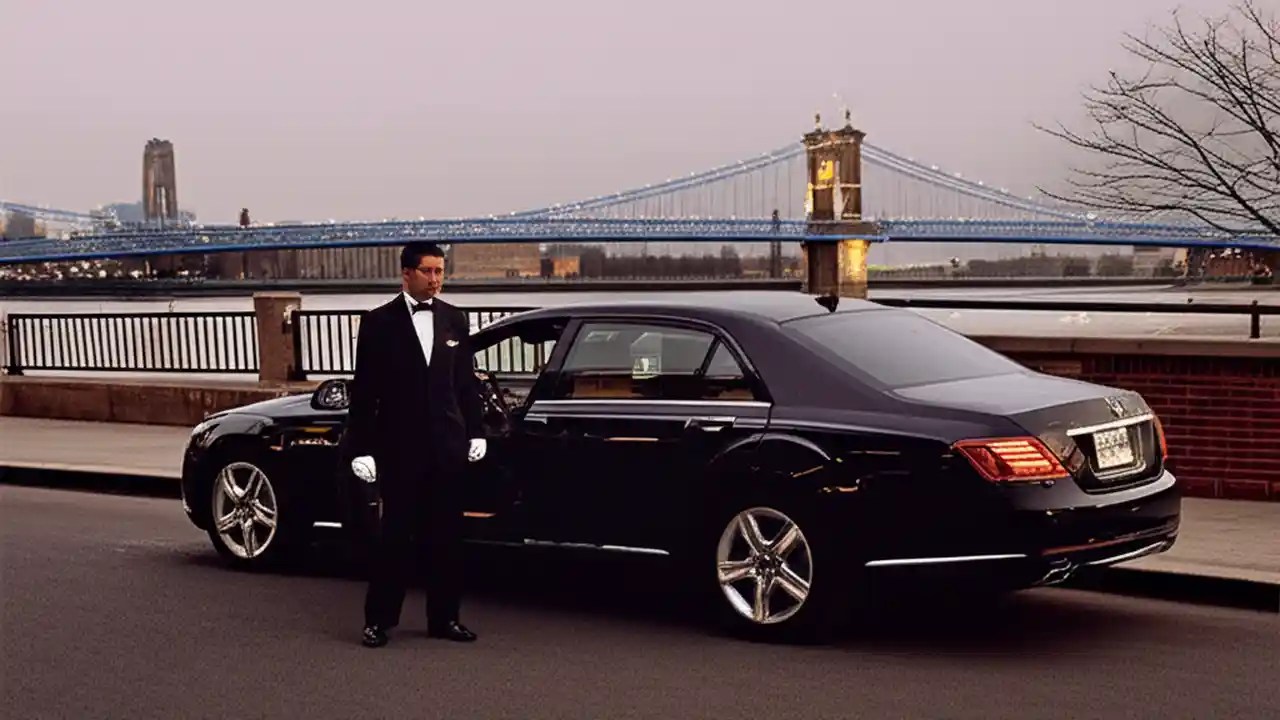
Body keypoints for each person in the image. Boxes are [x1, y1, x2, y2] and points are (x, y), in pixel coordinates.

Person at [345, 241, 487, 648]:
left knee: (447, 539)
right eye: (428, 271)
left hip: (447, 446)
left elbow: (465, 386)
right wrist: (361, 449)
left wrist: (474, 433)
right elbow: (364, 394)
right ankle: (378, 621)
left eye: (441, 271)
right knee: (396, 539)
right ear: (405, 274)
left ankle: (445, 619)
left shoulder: (455, 320)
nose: (436, 279)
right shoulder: (377, 324)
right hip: (400, 448)